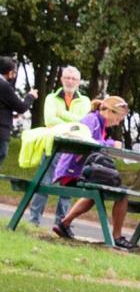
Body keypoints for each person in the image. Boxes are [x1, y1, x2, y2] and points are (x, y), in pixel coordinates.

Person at [49, 97, 133, 247]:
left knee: (99, 191)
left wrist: (109, 143)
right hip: (73, 171)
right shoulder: (91, 120)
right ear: (109, 111)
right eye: (119, 117)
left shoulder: (98, 124)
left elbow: (95, 143)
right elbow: (87, 142)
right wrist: (112, 144)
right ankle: (117, 236)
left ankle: (64, 224)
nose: (119, 122)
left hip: (78, 169)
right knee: (122, 193)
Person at [25, 65, 91, 227]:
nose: (70, 81)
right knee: (44, 183)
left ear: (79, 82)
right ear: (61, 79)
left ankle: (61, 224)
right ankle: (33, 221)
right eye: (67, 78)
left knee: (67, 187)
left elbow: (84, 122)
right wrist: (72, 122)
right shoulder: (51, 98)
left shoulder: (85, 101)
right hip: (52, 145)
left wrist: (61, 115)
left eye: (73, 78)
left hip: (74, 149)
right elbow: (49, 121)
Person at [0, 58, 31, 173]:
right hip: (1, 130)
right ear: (10, 72)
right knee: (2, 153)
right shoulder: (4, 86)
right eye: (14, 72)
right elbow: (21, 107)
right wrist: (30, 96)